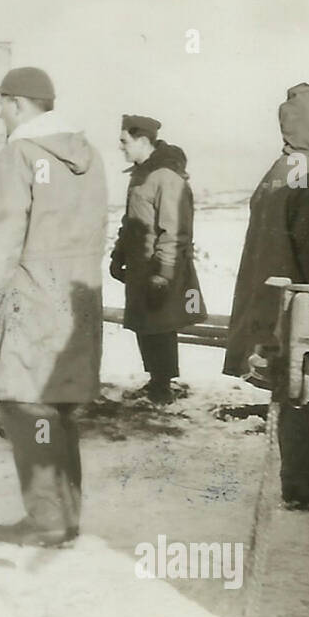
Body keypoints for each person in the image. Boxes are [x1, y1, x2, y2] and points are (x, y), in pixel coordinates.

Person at [0, 67, 108, 547]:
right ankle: (65, 516)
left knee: (27, 408)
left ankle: (46, 521)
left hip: (29, 301)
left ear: (20, 103)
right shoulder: (91, 158)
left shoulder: (15, 157)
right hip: (75, 304)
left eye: (2, 102)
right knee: (61, 409)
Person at [223, 83, 309, 509]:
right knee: (307, 391)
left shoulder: (279, 170)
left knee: (290, 392)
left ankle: (299, 485)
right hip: (297, 306)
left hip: (270, 303)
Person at [110, 115, 206, 404]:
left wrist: (163, 273)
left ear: (142, 141)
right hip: (141, 265)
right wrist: (118, 254)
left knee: (160, 325)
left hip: (159, 266)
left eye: (124, 141)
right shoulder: (141, 174)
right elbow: (131, 222)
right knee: (146, 325)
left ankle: (163, 388)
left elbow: (175, 228)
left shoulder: (165, 176)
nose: (121, 148)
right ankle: (156, 381)